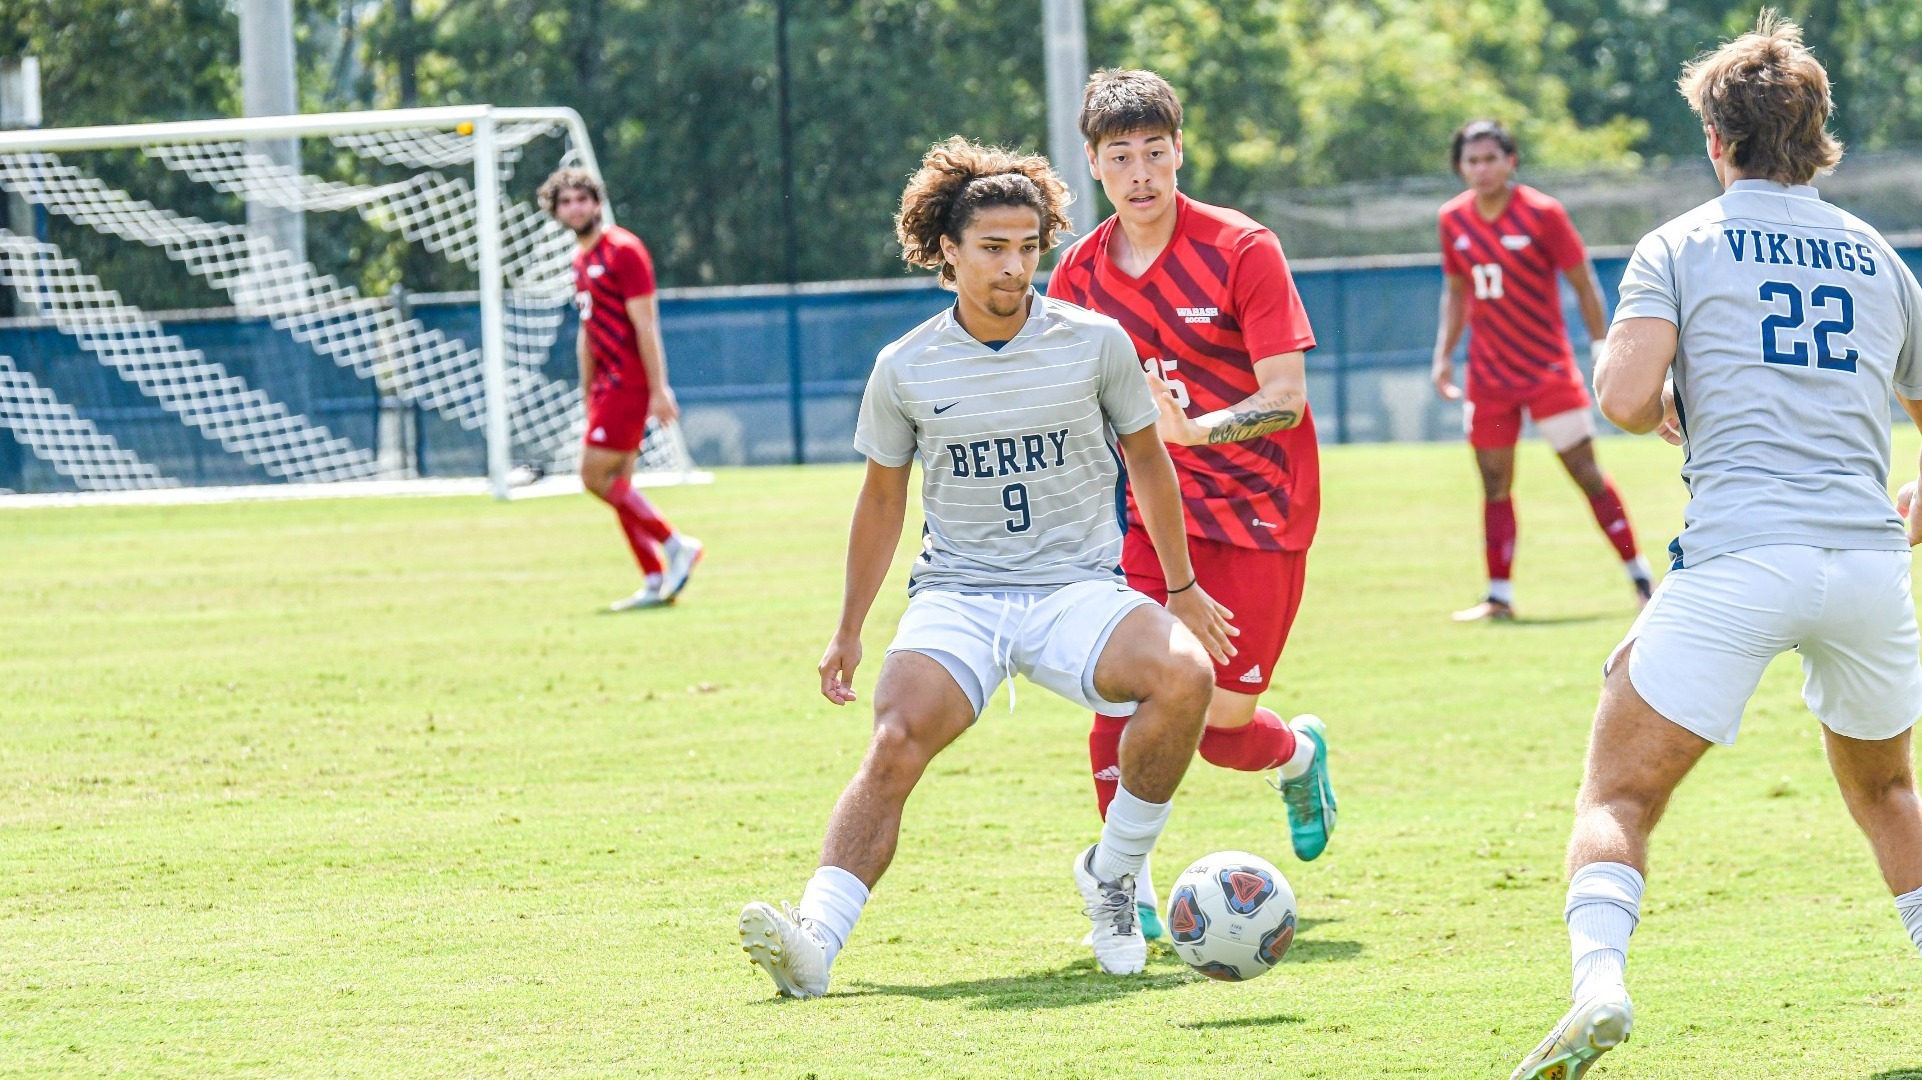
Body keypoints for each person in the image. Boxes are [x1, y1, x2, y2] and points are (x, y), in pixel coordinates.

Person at [1512, 14, 1922, 1078]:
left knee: (1616, 797)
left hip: (1743, 556)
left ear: (1713, 136)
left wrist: (1665, 400)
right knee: (1884, 793)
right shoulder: (1877, 256)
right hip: (1869, 565)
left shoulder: (1679, 244)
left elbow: (1618, 397)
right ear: (1817, 133)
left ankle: (1597, 989)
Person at [737, 137, 1235, 997]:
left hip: (1076, 587)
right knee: (895, 740)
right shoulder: (904, 367)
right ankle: (814, 940)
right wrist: (850, 626)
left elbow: (1150, 464)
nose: (1015, 266)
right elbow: (883, 501)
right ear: (948, 251)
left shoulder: (1095, 343)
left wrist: (1182, 590)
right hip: (960, 595)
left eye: (1029, 246)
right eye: (994, 248)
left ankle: (1114, 875)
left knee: (1186, 676)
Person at [1047, 69, 1338, 939]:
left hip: (1260, 512)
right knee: (1122, 693)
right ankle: (1118, 879)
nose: (1142, 173)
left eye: (1156, 152)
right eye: (1121, 156)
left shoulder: (1244, 248)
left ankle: (1297, 756)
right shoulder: (1079, 272)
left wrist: (1195, 431)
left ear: (1180, 150)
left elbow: (1286, 393)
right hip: (1148, 516)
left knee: (1219, 731)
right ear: (1095, 164)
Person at [1432, 120, 1652, 622]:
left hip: (1546, 370)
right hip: (1488, 377)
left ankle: (1641, 579)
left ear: (1511, 161)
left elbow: (1583, 282)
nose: (1481, 168)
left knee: (1585, 473)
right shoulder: (1452, 220)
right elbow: (1456, 293)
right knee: (1493, 483)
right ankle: (1499, 596)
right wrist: (1443, 354)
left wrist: (1602, 346)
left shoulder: (1542, 213)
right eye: (1472, 160)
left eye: (1491, 158)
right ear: (1460, 167)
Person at [540, 168, 702, 611]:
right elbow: (589, 331)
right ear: (556, 211)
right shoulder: (579, 261)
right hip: (606, 386)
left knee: (593, 476)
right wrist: (586, 387)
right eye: (565, 201)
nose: (574, 207)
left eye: (581, 198)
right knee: (620, 483)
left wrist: (658, 388)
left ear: (596, 202)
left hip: (629, 383)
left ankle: (675, 545)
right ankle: (653, 578)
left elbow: (646, 324)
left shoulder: (624, 251)